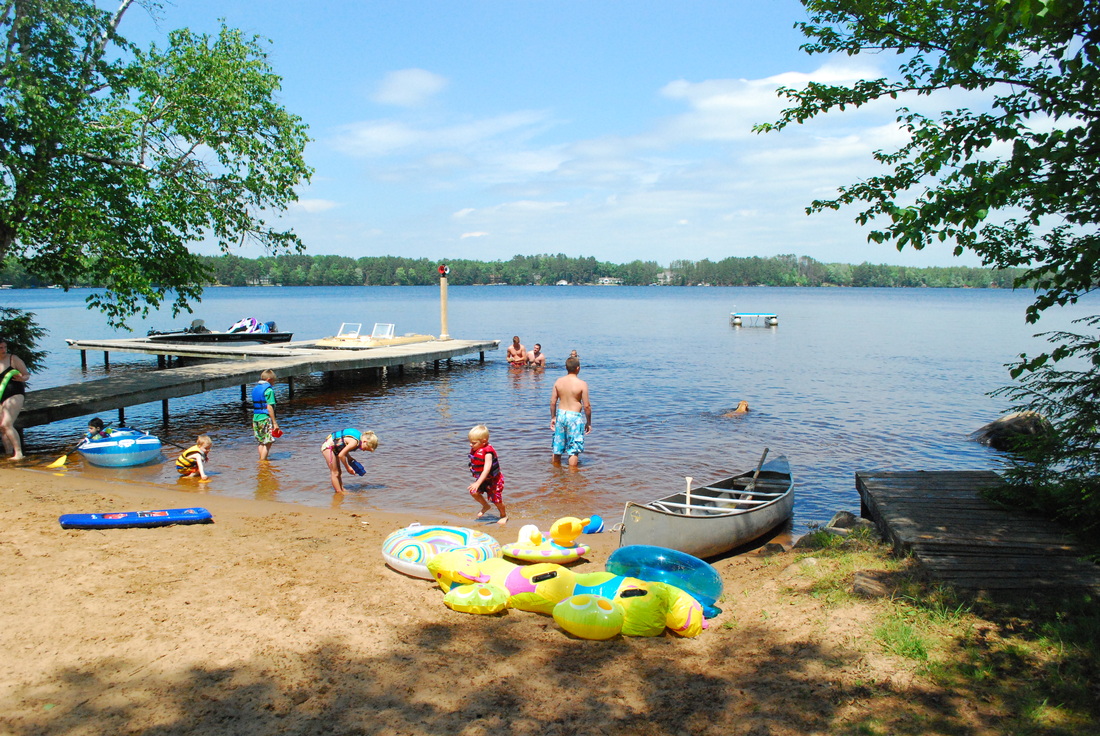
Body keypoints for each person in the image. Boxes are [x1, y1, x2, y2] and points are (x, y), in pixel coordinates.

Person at [550, 356, 592, 467]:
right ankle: (573, 478)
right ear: (578, 368)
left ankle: (555, 473)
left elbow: (553, 402)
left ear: (566, 367)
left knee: (557, 447)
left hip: (561, 415)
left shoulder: (558, 381)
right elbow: (587, 406)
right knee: (573, 449)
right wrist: (589, 422)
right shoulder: (582, 384)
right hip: (574, 417)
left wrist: (553, 417)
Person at [467, 424, 507, 525]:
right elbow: (474, 461)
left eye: (473, 443)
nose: (470, 445)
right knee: (474, 492)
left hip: (494, 480)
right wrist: (471, 467)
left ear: (484, 441)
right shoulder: (477, 449)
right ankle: (485, 505)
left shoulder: (488, 453)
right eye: (470, 442)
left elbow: (487, 469)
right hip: (483, 479)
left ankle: (503, 515)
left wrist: (477, 483)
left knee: (496, 500)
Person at [321, 428, 378, 494]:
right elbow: (341, 455)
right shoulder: (355, 442)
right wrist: (348, 467)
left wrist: (349, 458)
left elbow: (343, 448)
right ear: (365, 441)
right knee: (335, 472)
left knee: (339, 472)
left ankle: (342, 489)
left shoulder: (358, 438)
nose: (363, 450)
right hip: (328, 448)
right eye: (365, 448)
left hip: (335, 448)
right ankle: (339, 492)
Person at [0, 337, 30, 461]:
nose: (3, 350)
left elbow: (26, 374)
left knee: (6, 424)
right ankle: (8, 452)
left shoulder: (13, 359)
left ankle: (19, 453)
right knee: (1, 427)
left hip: (15, 393)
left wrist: (22, 378)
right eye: (0, 348)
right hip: (1, 395)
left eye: (5, 347)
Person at [251, 369, 280, 461]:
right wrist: (275, 423)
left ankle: (262, 459)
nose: (274, 383)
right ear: (268, 379)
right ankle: (263, 462)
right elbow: (269, 407)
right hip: (265, 418)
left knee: (261, 441)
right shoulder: (269, 390)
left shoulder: (256, 388)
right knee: (268, 442)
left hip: (256, 418)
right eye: (273, 380)